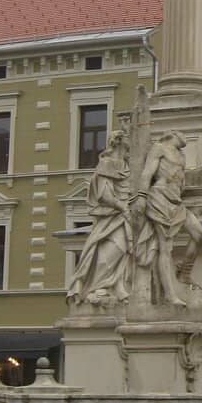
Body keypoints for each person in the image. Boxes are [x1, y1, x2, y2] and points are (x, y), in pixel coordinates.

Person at [132, 132, 202, 306]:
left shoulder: (181, 155)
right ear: (173, 134)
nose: (185, 137)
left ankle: (184, 273)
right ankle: (170, 295)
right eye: (182, 134)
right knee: (164, 247)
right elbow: (147, 174)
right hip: (159, 198)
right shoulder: (159, 148)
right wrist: (141, 196)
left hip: (176, 201)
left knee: (200, 234)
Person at [68, 130, 132, 308]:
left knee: (126, 251)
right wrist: (122, 206)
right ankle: (98, 286)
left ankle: (117, 285)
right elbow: (104, 194)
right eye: (128, 138)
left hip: (125, 215)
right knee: (114, 249)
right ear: (119, 141)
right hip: (110, 216)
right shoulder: (106, 163)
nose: (131, 142)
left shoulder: (127, 165)